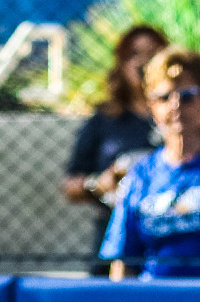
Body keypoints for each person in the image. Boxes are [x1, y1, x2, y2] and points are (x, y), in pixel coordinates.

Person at [101, 46, 200, 280]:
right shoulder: (141, 175)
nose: (175, 105)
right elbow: (123, 261)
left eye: (186, 96)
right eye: (164, 97)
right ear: (152, 107)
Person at [62, 25, 165, 275]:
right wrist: (99, 183)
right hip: (114, 234)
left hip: (170, 236)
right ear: (121, 63)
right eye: (134, 54)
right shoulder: (105, 119)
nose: (143, 62)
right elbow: (70, 185)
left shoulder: (192, 111)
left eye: (152, 53)